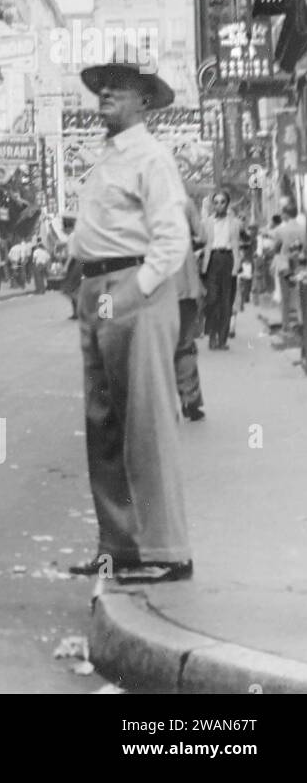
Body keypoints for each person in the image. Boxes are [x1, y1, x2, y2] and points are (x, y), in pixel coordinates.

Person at [66, 53, 193, 584]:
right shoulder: (108, 158)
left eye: (119, 87)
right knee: (104, 421)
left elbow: (172, 239)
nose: (106, 95)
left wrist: (132, 293)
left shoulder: (152, 158)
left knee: (145, 420)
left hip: (134, 285)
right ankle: (118, 545)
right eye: (102, 87)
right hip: (98, 287)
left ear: (146, 100)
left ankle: (167, 550)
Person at [174, 198, 206, 422]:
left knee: (157, 350)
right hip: (185, 285)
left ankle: (163, 408)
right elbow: (203, 236)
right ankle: (190, 400)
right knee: (185, 346)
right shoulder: (185, 203)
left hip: (154, 286)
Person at [199, 190, 241, 350]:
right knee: (212, 299)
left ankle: (222, 340)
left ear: (227, 203)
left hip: (228, 259)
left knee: (226, 300)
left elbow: (239, 242)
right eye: (216, 202)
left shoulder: (235, 223)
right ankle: (212, 335)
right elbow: (202, 240)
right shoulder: (207, 223)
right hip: (212, 260)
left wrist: (237, 264)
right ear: (212, 204)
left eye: (222, 202)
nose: (219, 205)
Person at [271, 210, 305, 335]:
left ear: (285, 215)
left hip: (284, 266)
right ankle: (302, 323)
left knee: (285, 298)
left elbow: (275, 249)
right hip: (300, 266)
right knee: (301, 297)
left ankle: (285, 325)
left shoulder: (280, 231)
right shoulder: (303, 229)